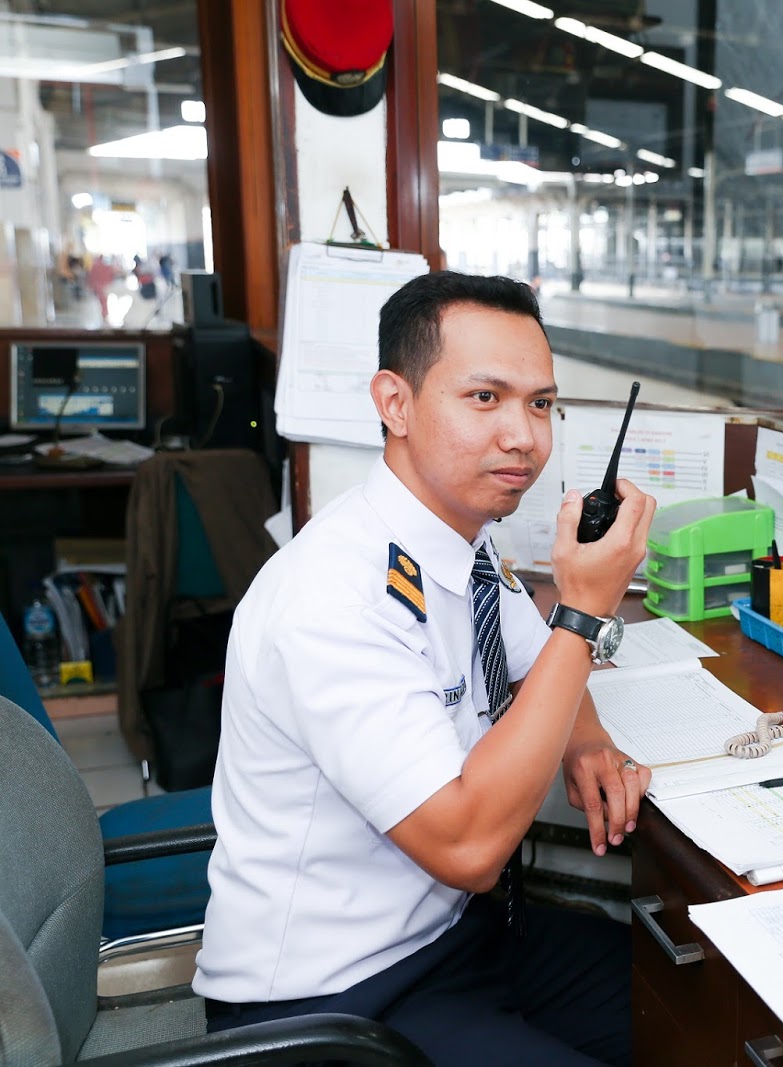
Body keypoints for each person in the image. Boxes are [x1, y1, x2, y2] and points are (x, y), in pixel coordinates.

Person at [192, 271, 656, 1066]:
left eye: (541, 403)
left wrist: (585, 738)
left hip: (453, 939)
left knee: (678, 998)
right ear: (394, 403)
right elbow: (469, 848)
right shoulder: (334, 596)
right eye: (485, 398)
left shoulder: (460, 543)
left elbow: (536, 657)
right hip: (330, 1001)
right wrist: (585, 610)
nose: (523, 436)